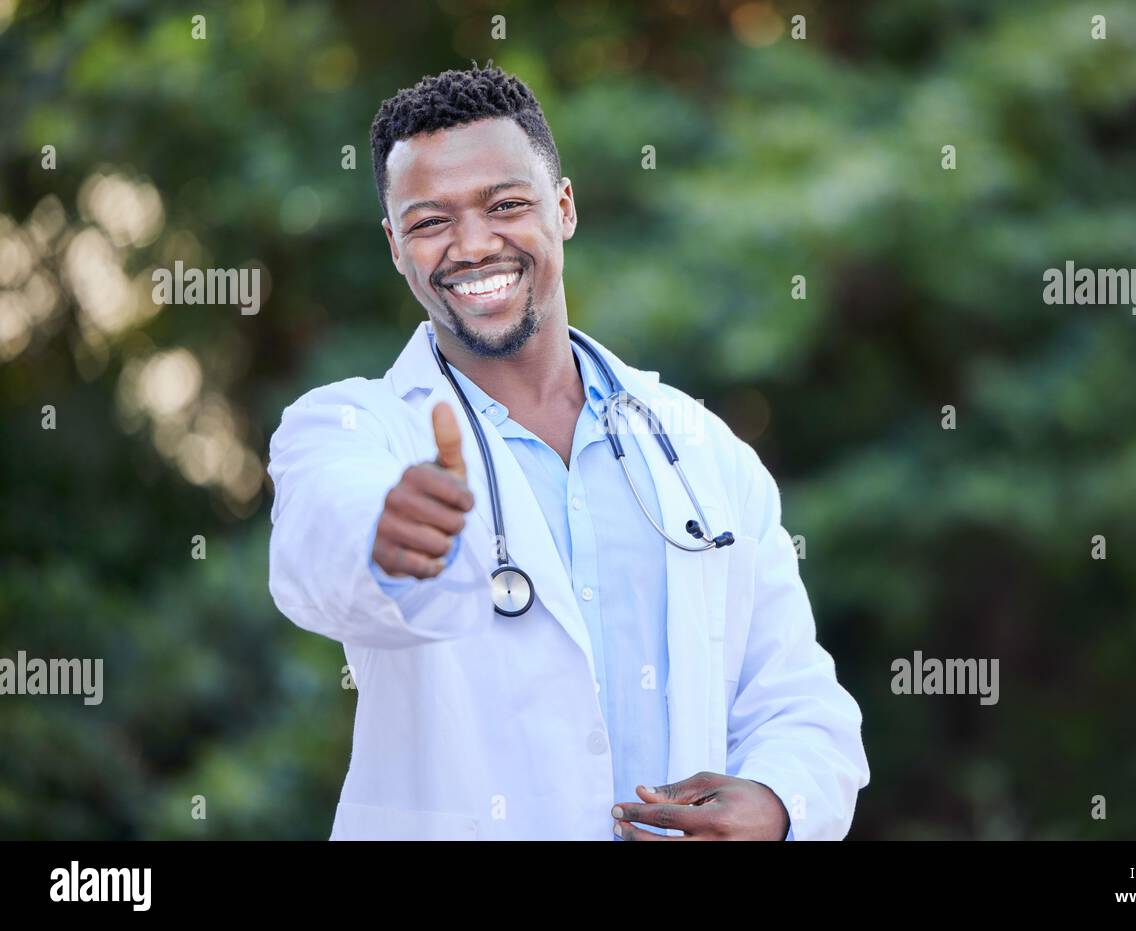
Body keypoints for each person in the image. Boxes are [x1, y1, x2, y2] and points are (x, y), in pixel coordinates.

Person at [267, 62, 869, 840]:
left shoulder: (701, 448)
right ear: (394, 245)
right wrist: (384, 534)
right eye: (429, 221)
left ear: (564, 208)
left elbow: (798, 701)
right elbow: (320, 540)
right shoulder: (357, 426)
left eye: (506, 205)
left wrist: (778, 803)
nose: (473, 245)